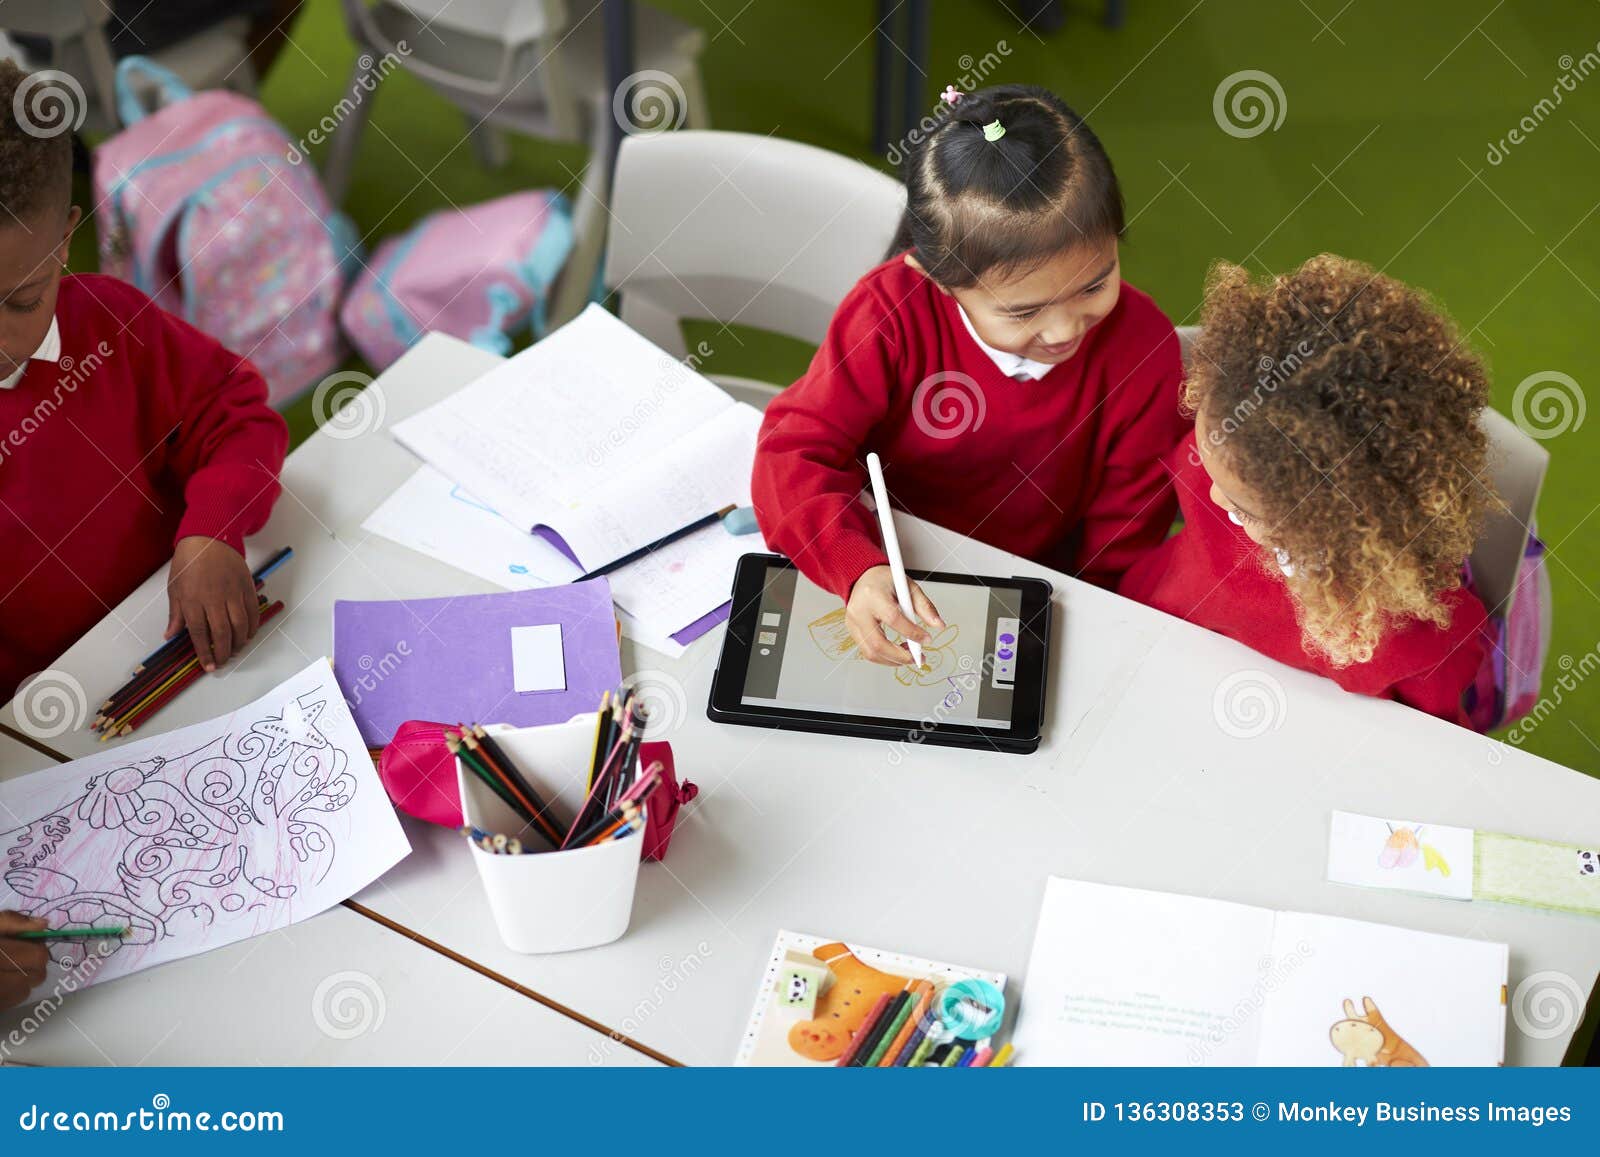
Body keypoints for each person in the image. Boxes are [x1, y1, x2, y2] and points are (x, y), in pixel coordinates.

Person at [752, 83, 1187, 665]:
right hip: (891, 564)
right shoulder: (889, 313)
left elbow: (1122, 546)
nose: (1063, 332)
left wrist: (1083, 636)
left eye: (1094, 284)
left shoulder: (1144, 350)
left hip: (1041, 598)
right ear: (935, 279)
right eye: (1023, 312)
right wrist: (855, 568)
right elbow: (794, 452)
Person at [0, 61, 288, 702]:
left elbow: (235, 411)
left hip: (177, 658)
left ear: (65, 244)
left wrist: (213, 526)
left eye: (19, 303)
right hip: (40, 734)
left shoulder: (112, 324)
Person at [1119, 255, 1495, 725]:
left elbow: (1432, 745)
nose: (1210, 499)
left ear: (1333, 525)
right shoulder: (1232, 455)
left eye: (1244, 510)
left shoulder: (1401, 639)